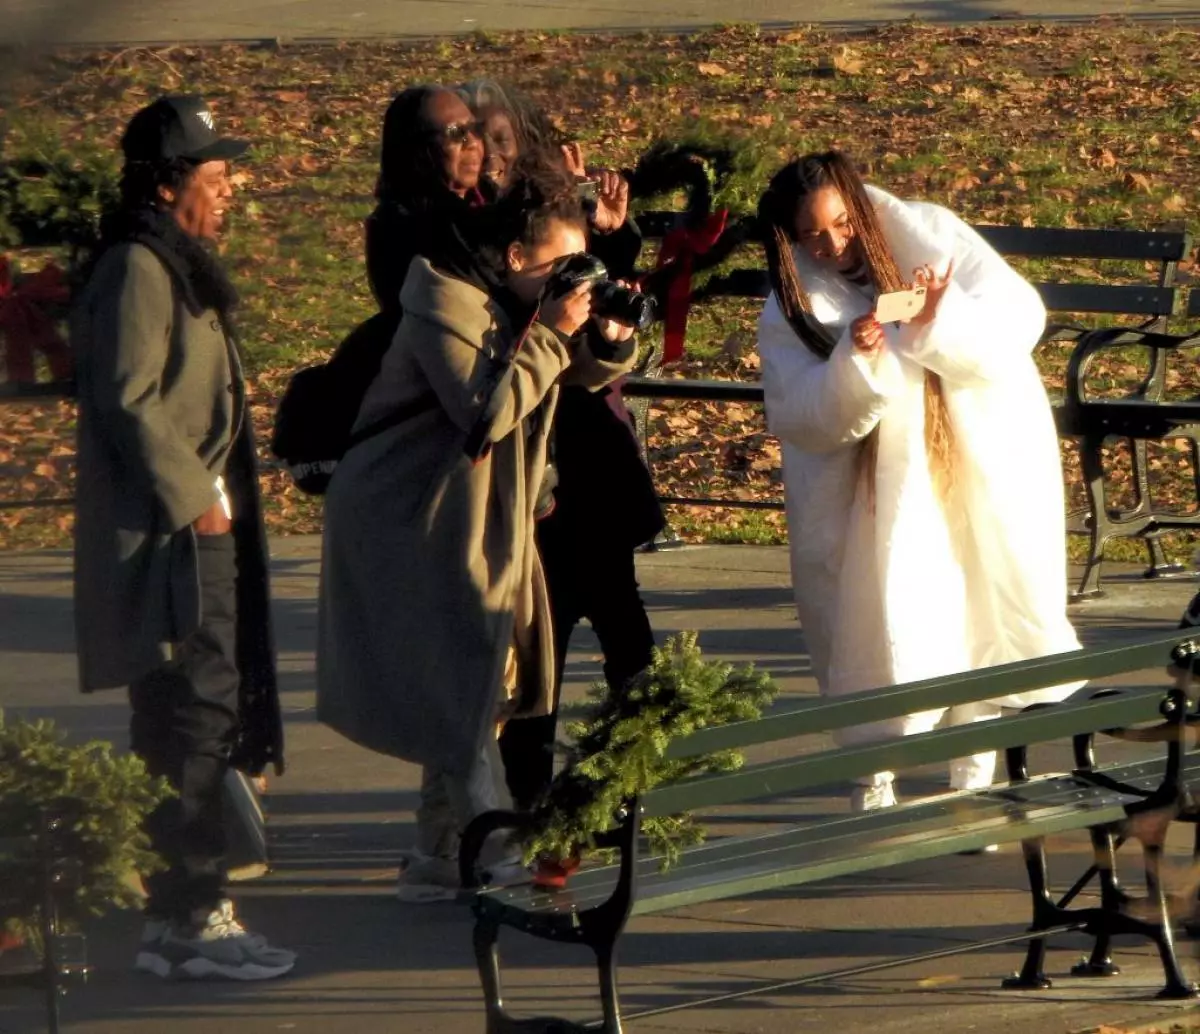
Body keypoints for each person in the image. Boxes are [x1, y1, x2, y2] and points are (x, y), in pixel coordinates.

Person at [316, 154, 638, 900]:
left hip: (475, 513)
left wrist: (609, 339)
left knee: (477, 683)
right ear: (515, 257)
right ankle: (496, 853)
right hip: (409, 517)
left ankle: (435, 858)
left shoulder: (515, 299)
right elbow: (487, 411)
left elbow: (565, 375)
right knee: (465, 681)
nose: (573, 280)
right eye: (562, 264)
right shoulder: (444, 302)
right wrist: (557, 333)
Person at [755, 150, 1083, 813]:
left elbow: (1018, 318)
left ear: (863, 207)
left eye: (843, 224)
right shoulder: (791, 306)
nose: (834, 245)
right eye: (813, 235)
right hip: (864, 493)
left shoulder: (931, 234)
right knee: (872, 619)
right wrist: (857, 357)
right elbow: (799, 411)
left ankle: (975, 764)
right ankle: (874, 765)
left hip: (966, 464)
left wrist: (938, 318)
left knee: (973, 603)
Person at [71, 95, 294, 979]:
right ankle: (197, 916)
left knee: (189, 716)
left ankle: (177, 919)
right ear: (168, 186)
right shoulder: (138, 266)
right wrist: (196, 495)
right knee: (190, 717)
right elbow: (127, 396)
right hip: (173, 539)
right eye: (214, 175)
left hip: (196, 527)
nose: (230, 188)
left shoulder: (172, 261)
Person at [457, 81, 664, 810]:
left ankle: (628, 786)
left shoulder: (561, 217)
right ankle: (530, 802)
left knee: (624, 631)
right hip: (528, 478)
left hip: (590, 468)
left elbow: (609, 302)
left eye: (504, 142)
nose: (488, 158)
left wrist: (609, 233)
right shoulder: (470, 240)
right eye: (475, 141)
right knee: (534, 650)